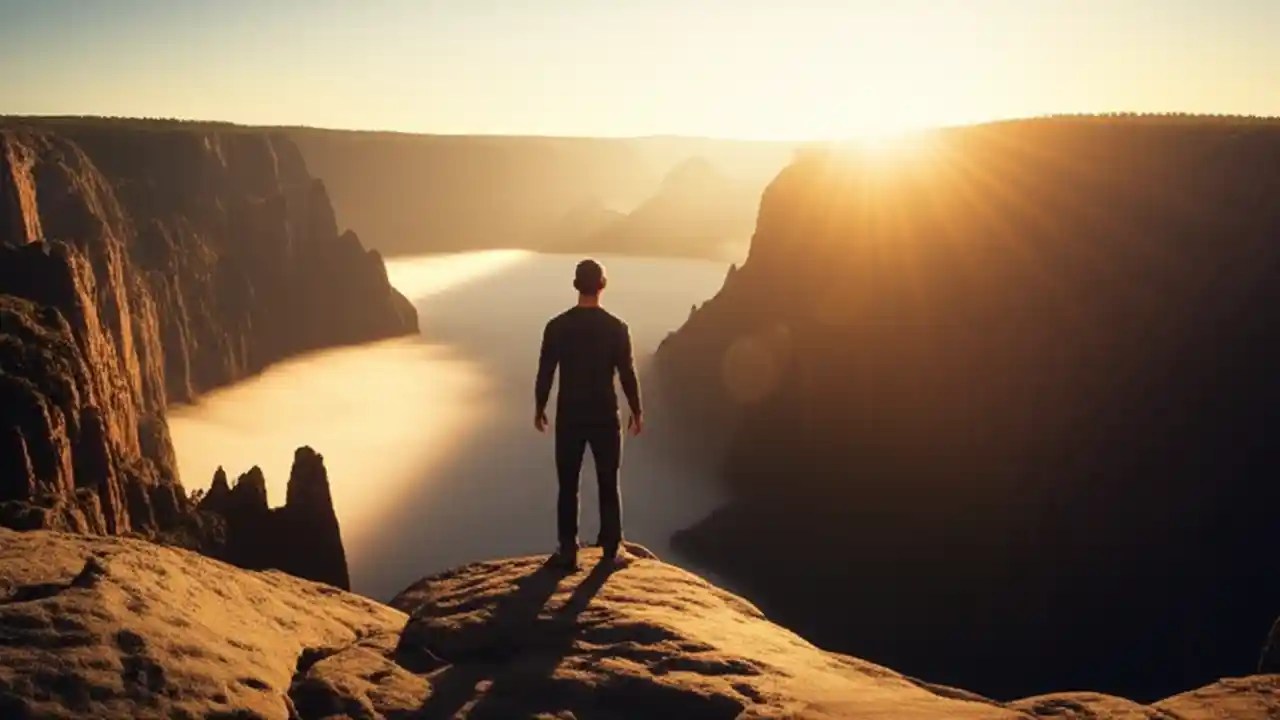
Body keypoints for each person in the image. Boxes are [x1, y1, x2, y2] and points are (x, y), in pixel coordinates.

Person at [535, 259, 643, 570]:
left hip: (569, 415)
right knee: (609, 481)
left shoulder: (556, 327)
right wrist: (637, 410)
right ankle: (612, 548)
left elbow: (546, 371)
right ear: (602, 285)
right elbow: (627, 373)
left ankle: (568, 549)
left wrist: (539, 406)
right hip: (605, 416)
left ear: (575, 285)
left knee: (568, 484)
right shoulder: (616, 328)